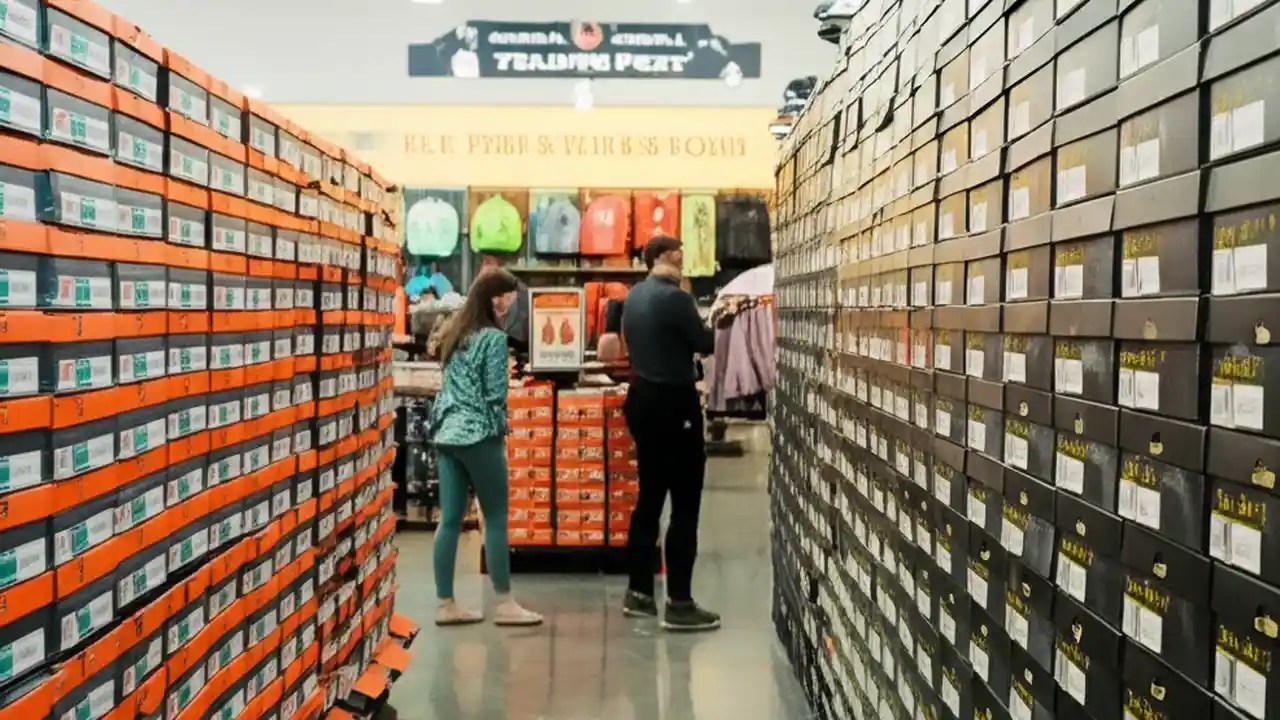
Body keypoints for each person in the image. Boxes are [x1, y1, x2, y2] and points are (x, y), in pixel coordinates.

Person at [427, 268, 542, 627]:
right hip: (479, 435)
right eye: (509, 296)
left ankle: (446, 603)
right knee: (494, 517)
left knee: (449, 520)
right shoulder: (493, 339)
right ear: (496, 298)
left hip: (446, 433)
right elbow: (495, 393)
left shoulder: (454, 332)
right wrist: (500, 429)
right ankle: (505, 603)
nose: (511, 304)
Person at [620, 236, 719, 631]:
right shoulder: (676, 298)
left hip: (641, 398)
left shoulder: (634, 296)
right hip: (675, 405)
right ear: (663, 257)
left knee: (648, 500)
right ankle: (679, 602)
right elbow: (703, 343)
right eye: (678, 254)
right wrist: (719, 321)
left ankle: (639, 593)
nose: (682, 261)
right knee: (684, 504)